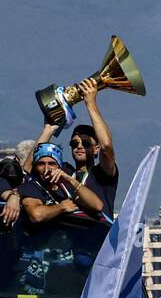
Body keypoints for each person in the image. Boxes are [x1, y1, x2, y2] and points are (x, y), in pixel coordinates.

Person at [25, 79, 119, 219]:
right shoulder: (65, 172)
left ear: (96, 149)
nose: (79, 146)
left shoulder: (102, 173)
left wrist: (91, 104)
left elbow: (107, 146)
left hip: (99, 236)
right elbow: (29, 168)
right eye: (74, 143)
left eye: (86, 143)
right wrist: (49, 129)